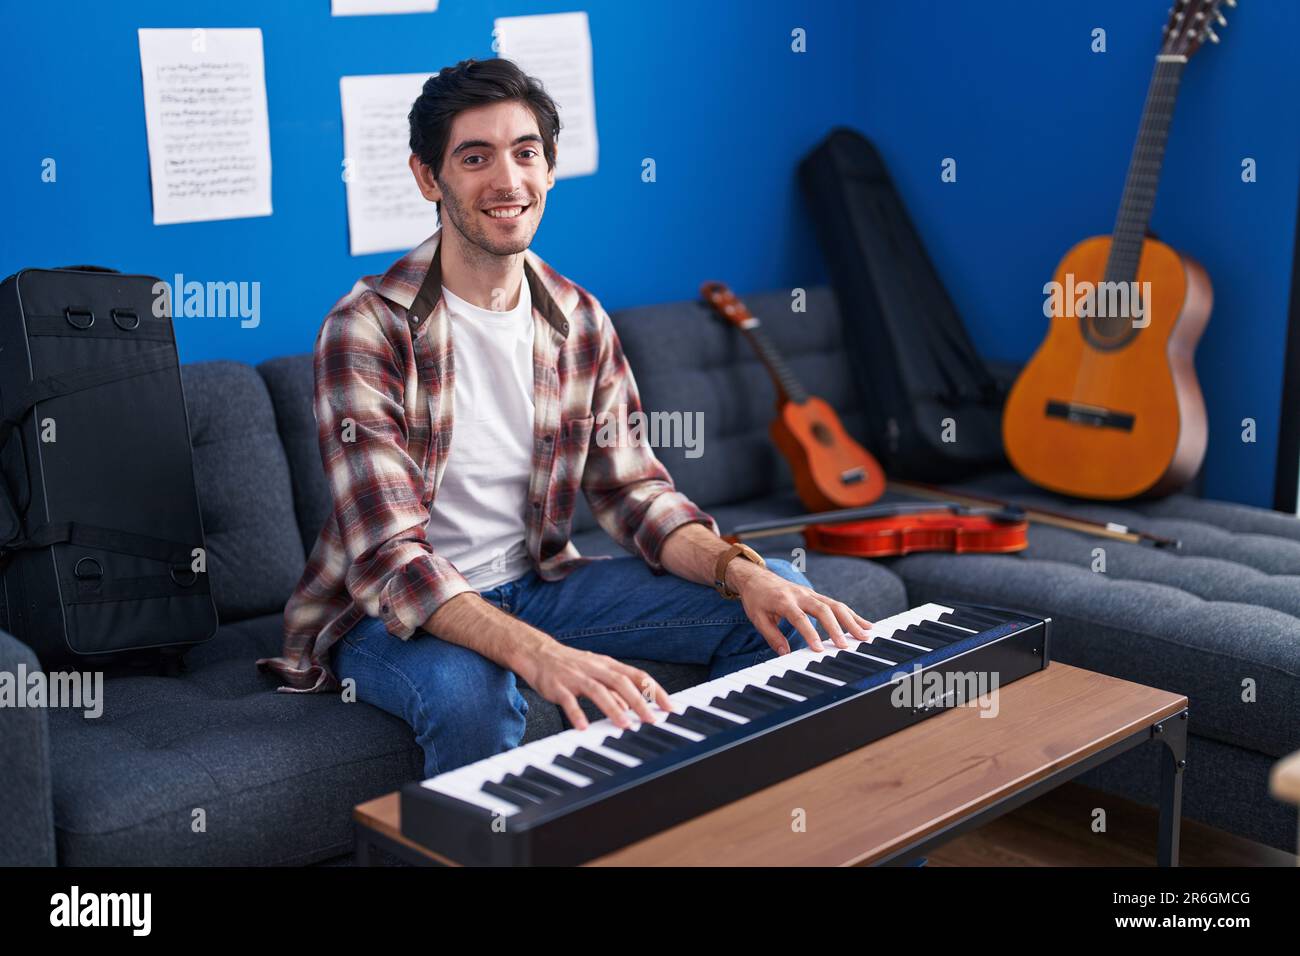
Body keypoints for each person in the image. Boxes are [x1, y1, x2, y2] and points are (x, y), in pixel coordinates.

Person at [257, 58, 873, 780]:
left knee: (774, 606)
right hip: (385, 611)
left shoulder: (577, 318)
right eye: (474, 157)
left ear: (550, 169)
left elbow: (635, 493)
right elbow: (391, 556)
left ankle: (704, 820)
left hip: (536, 582)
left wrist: (741, 572)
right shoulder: (367, 328)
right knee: (471, 697)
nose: (507, 180)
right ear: (429, 178)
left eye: (525, 153)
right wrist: (542, 657)